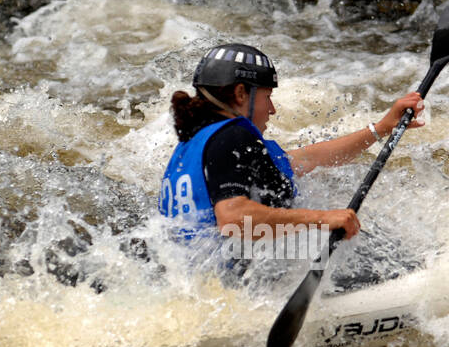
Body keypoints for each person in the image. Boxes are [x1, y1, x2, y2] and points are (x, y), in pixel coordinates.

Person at [159, 42, 424, 269]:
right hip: (235, 283)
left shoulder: (193, 145)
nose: (272, 109)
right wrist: (322, 219)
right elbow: (232, 218)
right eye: (268, 96)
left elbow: (308, 159)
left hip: (201, 284)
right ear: (241, 93)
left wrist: (380, 128)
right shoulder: (234, 135)